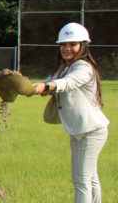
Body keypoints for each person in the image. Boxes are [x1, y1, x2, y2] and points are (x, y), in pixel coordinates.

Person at [32, 23, 109, 203]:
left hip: (91, 132)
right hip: (82, 131)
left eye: (72, 44)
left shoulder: (84, 67)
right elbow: (48, 85)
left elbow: (67, 83)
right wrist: (28, 86)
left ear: (82, 46)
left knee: (81, 180)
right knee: (90, 178)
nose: (66, 48)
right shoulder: (64, 67)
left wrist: (47, 86)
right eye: (63, 44)